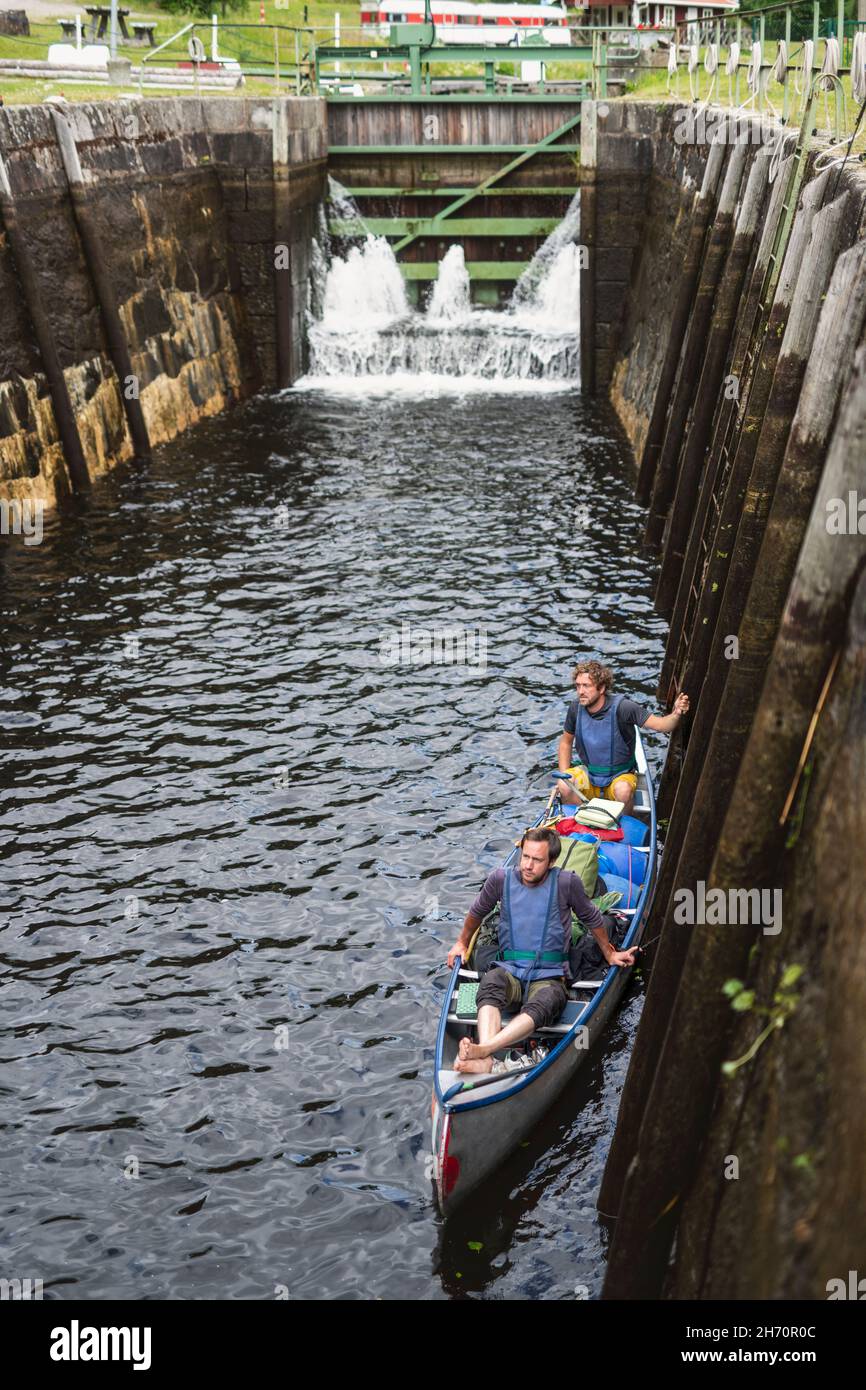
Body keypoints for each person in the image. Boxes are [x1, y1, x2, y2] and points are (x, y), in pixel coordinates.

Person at [446, 827, 635, 1075]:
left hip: (548, 974)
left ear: (551, 862)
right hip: (510, 969)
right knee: (490, 983)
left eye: (537, 860)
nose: (528, 865)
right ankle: (486, 1059)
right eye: (525, 857)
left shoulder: (567, 883)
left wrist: (610, 954)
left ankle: (485, 1049)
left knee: (548, 1000)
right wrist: (461, 942)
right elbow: (477, 912)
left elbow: (592, 918)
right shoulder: (500, 880)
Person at [554, 659, 690, 816]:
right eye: (578, 686)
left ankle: (622, 826)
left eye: (586, 686)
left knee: (623, 791)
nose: (580, 691)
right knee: (564, 784)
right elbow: (565, 743)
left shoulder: (624, 708)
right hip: (590, 775)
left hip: (619, 776)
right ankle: (580, 819)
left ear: (602, 688)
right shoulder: (575, 708)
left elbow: (662, 725)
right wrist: (564, 774)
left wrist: (676, 713)